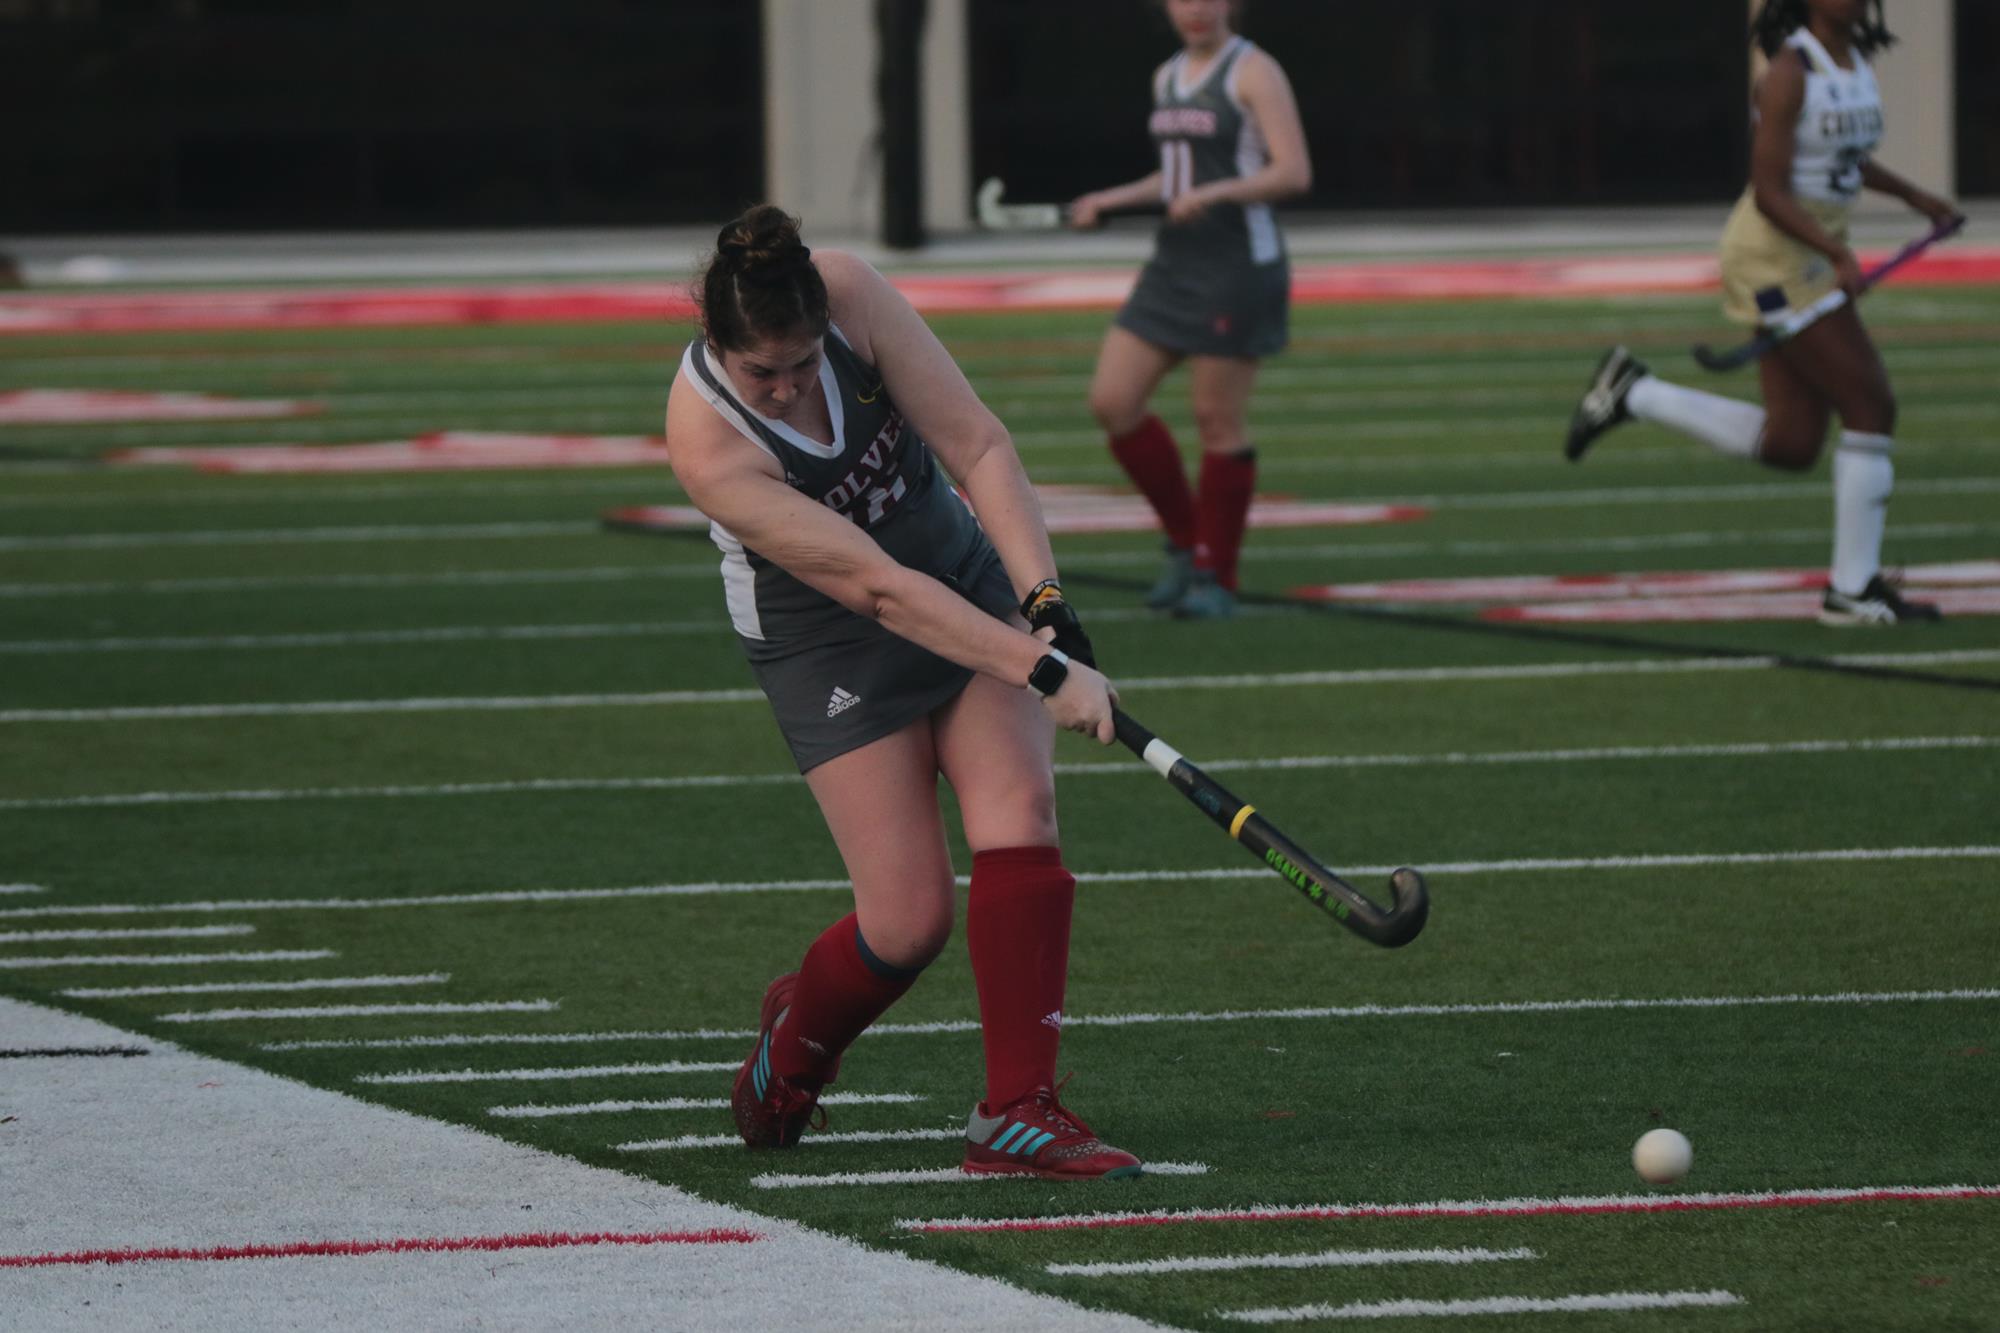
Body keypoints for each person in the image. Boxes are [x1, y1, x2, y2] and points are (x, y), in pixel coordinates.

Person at [663, 205, 1142, 1180]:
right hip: (827, 637)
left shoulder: (849, 292)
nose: (792, 387)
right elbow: (875, 590)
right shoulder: (708, 444)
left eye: (803, 363)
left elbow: (977, 447)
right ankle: (793, 1052)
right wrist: (1039, 667)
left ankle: (1014, 1112)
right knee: (907, 919)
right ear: (717, 342)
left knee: (1019, 810)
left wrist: (1044, 606)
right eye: (766, 373)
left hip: (951, 569)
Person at [1566, 0, 1961, 626]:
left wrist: (1919, 199)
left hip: (1809, 251)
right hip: (1777, 258)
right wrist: (1836, 253)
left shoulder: (1853, 61)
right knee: (1870, 403)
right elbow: (1770, 189)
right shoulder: (1788, 73)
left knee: (1794, 442)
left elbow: (1844, 159)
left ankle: (1635, 392)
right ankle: (1851, 591)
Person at [1070, 0, 1311, 619]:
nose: (1197, 9)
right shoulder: (1168, 75)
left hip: (1237, 267)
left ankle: (1216, 574)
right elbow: (1175, 177)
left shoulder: (1254, 72)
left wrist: (1217, 193)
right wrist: (1108, 199)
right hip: (1174, 265)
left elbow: (1292, 171)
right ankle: (1184, 539)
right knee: (1113, 401)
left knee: (1215, 419)